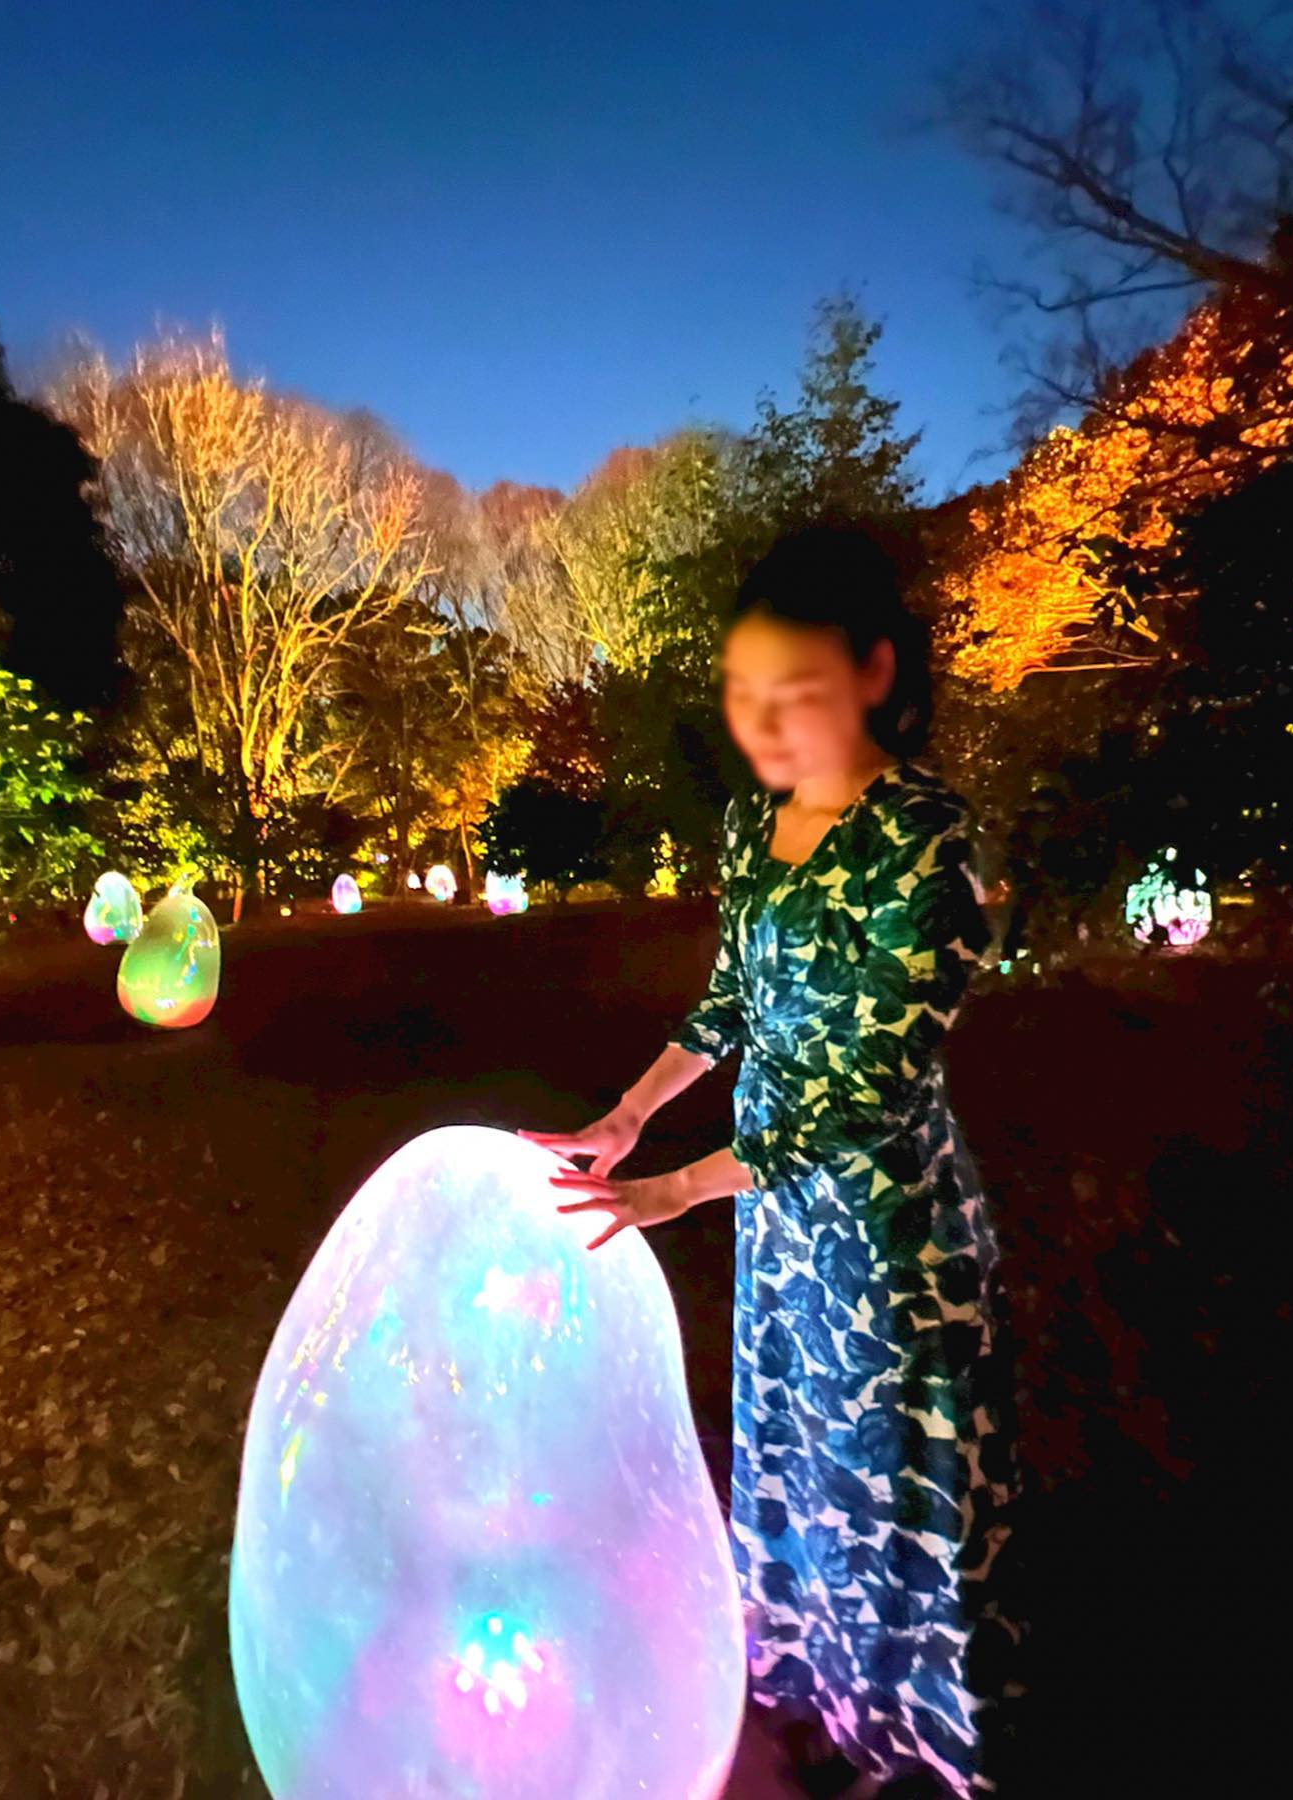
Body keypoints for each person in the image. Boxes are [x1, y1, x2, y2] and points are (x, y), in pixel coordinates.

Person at [520, 522, 1026, 1799]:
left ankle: (912, 1739)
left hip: (886, 1231)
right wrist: (633, 1117)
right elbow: (731, 1004)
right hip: (778, 1224)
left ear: (872, 671)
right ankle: (810, 1698)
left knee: (891, 1480)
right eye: (745, 696)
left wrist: (680, 1190)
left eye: (791, 694)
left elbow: (866, 1092)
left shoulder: (931, 840)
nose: (763, 725)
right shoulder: (758, 828)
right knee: (794, 1449)